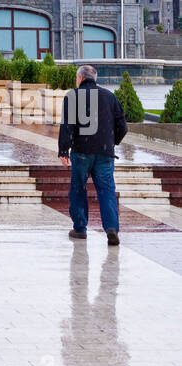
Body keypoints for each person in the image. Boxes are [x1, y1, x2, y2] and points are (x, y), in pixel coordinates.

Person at [58, 64, 127, 245]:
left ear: (80, 78)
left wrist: (63, 150)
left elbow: (67, 126)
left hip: (81, 152)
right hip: (104, 152)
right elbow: (123, 126)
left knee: (79, 189)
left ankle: (80, 229)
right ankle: (111, 228)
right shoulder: (109, 96)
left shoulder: (73, 96)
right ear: (94, 79)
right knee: (106, 190)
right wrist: (112, 142)